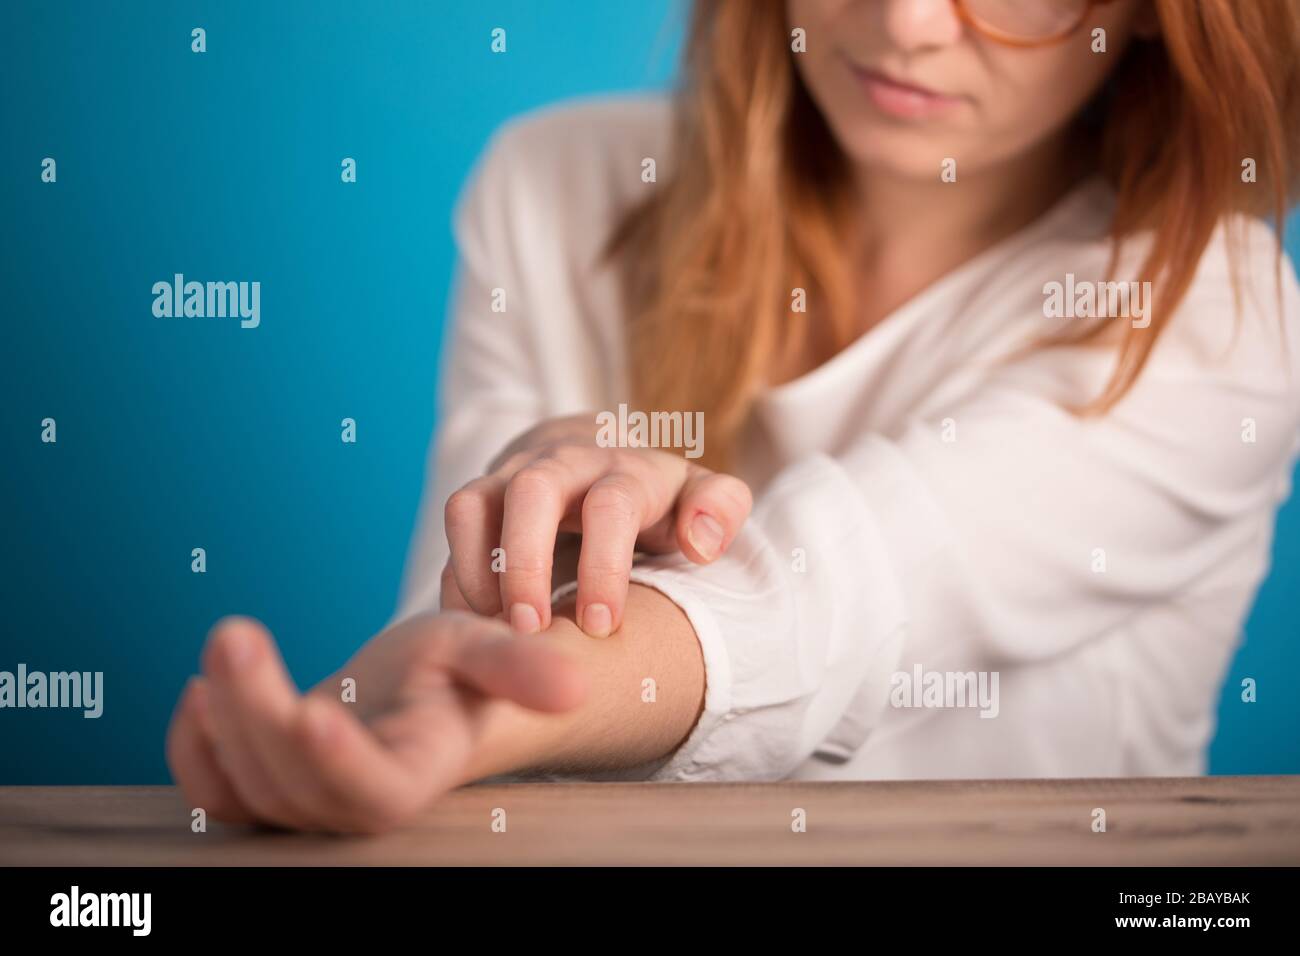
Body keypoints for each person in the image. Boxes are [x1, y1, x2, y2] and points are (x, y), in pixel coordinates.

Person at [167, 0, 1300, 833]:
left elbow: (829, 604)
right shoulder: (552, 186)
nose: (906, 23)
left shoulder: (1209, 320)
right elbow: (453, 646)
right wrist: (472, 633)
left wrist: (491, 711)